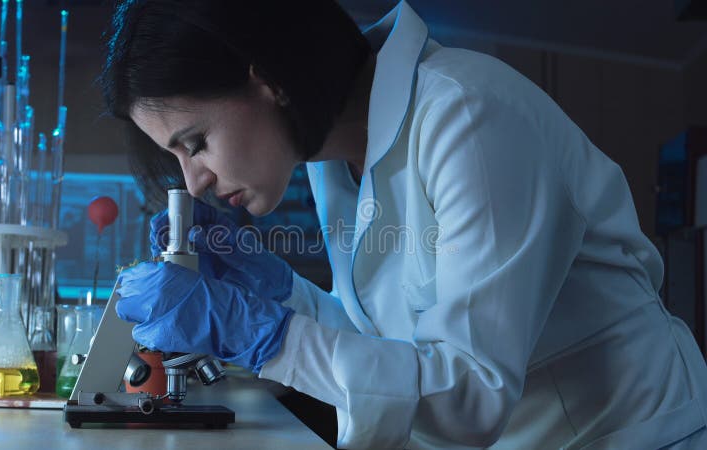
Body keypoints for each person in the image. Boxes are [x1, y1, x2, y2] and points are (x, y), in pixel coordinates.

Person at [100, 1, 707, 448]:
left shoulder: (467, 115)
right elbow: (389, 348)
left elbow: (470, 395)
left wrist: (265, 335)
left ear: (269, 80)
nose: (194, 180)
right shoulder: (334, 156)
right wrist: (276, 292)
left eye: (196, 142)